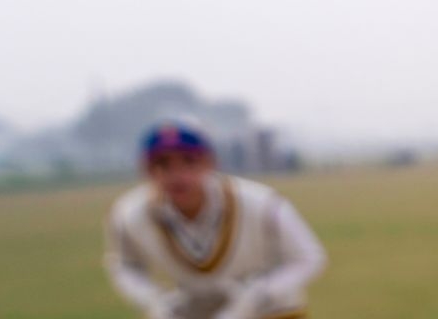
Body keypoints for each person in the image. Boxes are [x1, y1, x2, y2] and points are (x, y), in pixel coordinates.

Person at [105, 120, 326, 319]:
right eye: (163, 164)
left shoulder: (262, 203)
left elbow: (310, 257)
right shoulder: (129, 214)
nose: (177, 175)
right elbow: (124, 266)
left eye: (189, 162)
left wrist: (256, 296)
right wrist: (154, 299)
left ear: (209, 163)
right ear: (147, 169)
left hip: (271, 311)